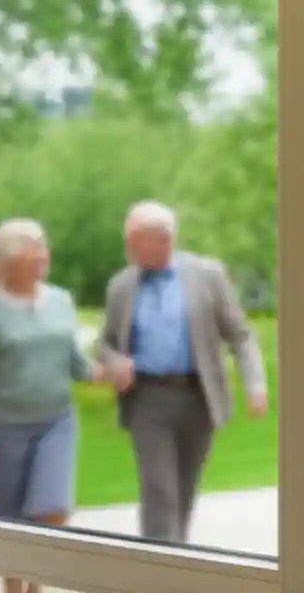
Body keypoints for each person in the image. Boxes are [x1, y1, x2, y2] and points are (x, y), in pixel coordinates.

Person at [98, 201, 268, 543]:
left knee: (183, 489)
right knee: (159, 490)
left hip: (198, 398)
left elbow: (240, 334)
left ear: (164, 240)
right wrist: (114, 362)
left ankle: (174, 557)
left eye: (136, 241)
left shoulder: (207, 276)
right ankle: (161, 564)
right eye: (129, 240)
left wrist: (255, 383)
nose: (129, 248)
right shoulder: (122, 286)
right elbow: (104, 343)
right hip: (147, 398)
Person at [0, 218, 105, 593]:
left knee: (52, 508)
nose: (44, 256)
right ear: (9, 262)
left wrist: (107, 372)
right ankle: (13, 588)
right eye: (35, 249)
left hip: (56, 420)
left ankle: (36, 586)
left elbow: (75, 363)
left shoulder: (61, 301)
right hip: (4, 426)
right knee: (8, 520)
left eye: (44, 247)